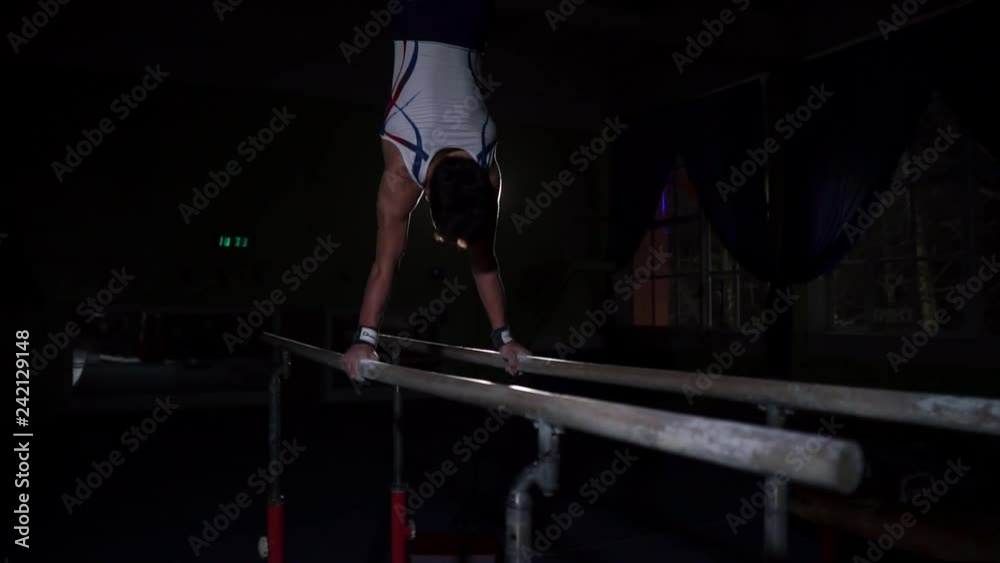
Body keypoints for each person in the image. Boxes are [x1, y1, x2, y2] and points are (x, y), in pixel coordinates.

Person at [343, 0, 529, 380]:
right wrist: (364, 338)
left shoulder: (485, 168)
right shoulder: (401, 170)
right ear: (425, 197)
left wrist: (504, 338)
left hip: (470, 24)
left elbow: (480, 259)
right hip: (415, 18)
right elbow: (388, 262)